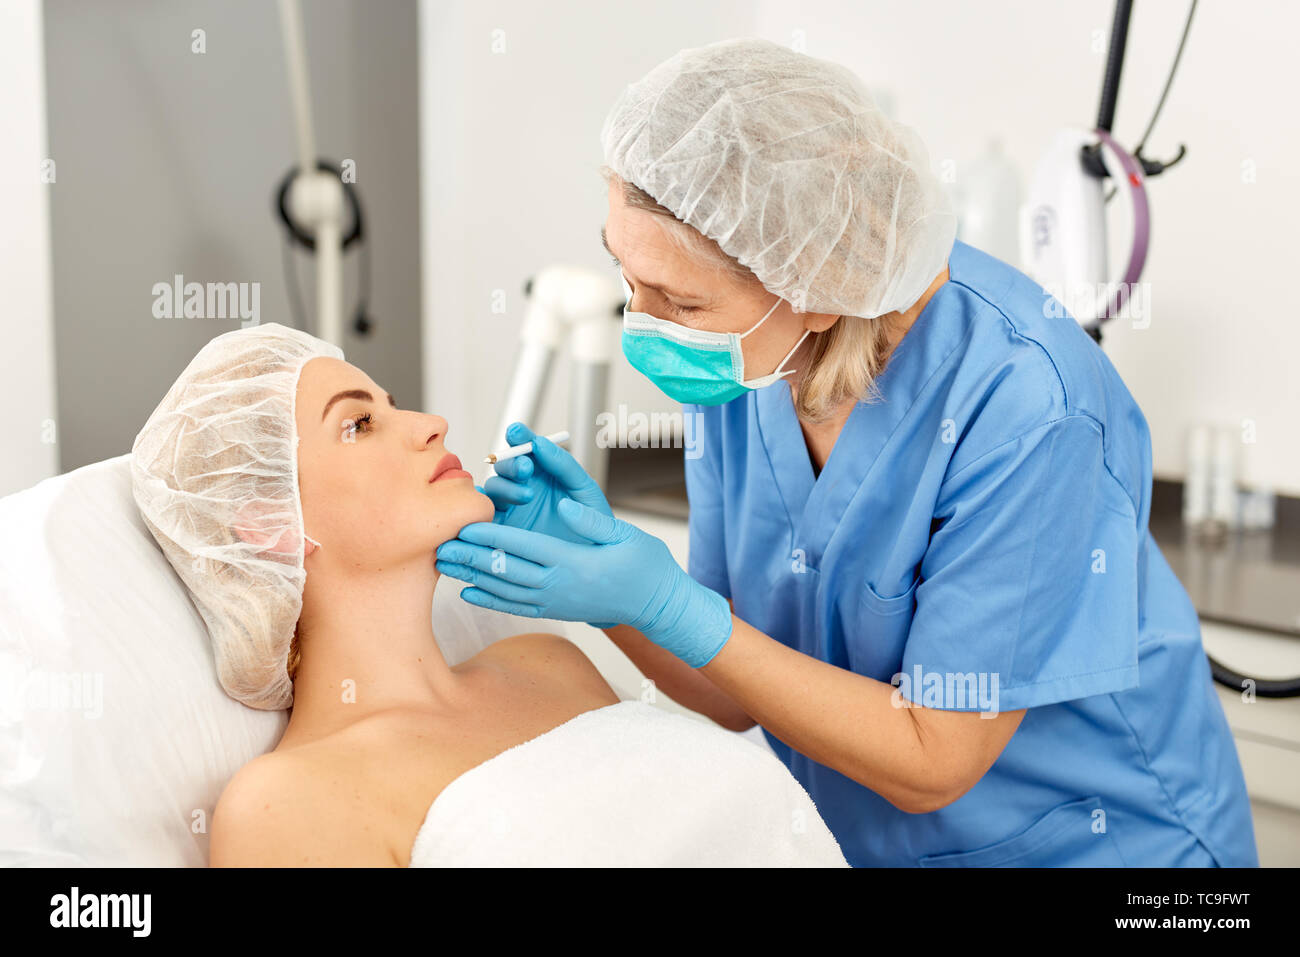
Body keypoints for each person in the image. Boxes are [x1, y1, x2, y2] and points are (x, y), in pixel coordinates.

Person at [435, 37, 1258, 867]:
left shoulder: (1026, 404)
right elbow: (734, 687)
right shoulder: (747, 372)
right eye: (626, 276)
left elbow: (935, 754)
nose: (642, 323)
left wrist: (664, 603)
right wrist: (607, 582)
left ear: (819, 283)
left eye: (680, 300)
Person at [130, 321, 847, 867]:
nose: (430, 424)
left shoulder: (545, 663)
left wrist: (636, 597)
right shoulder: (280, 803)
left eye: (392, 403)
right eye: (359, 423)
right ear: (269, 527)